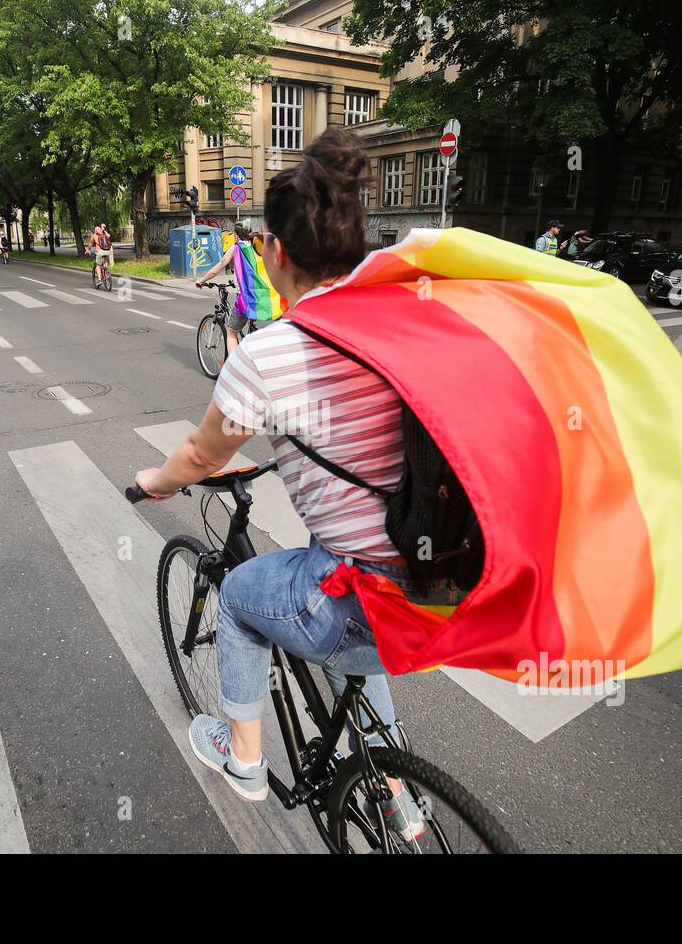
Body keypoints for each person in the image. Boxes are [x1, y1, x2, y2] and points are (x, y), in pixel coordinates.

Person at [131, 128, 424, 837]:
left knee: (237, 595)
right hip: (431, 582)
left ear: (275, 253)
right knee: (359, 634)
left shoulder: (270, 355)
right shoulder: (400, 322)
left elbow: (202, 455)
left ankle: (244, 759)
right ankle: (396, 789)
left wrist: (155, 483)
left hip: (355, 584)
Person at [194, 219, 282, 359]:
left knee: (231, 332)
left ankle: (234, 369)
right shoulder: (261, 248)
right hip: (268, 297)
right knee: (253, 328)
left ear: (236, 235)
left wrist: (201, 281)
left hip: (247, 299)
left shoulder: (236, 248)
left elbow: (217, 268)